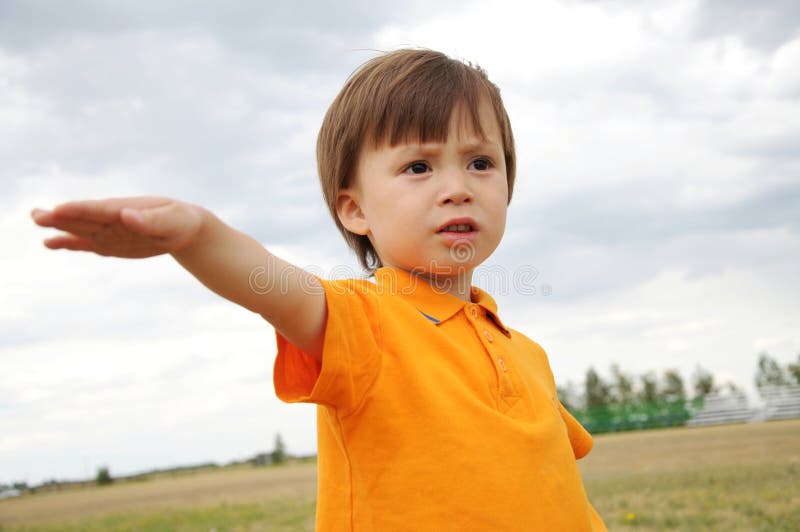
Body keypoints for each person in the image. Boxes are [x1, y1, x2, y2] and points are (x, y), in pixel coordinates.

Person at [31, 49, 607, 531]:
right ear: (354, 209)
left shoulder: (527, 354)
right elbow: (272, 285)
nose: (457, 188)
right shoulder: (366, 324)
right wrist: (198, 236)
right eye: (418, 167)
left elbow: (559, 495)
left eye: (481, 162)